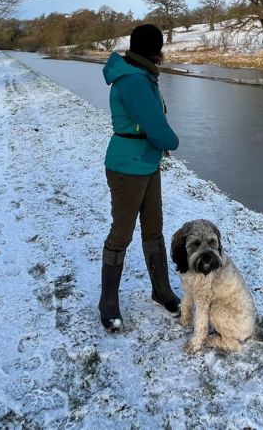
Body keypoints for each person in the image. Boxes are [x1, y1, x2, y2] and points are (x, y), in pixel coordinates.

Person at [98, 23, 181, 332]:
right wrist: (171, 141)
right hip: (127, 166)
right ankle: (108, 302)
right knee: (121, 234)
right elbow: (156, 125)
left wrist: (158, 141)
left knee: (153, 229)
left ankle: (161, 291)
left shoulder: (141, 74)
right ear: (155, 51)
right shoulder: (134, 80)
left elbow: (151, 121)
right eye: (160, 48)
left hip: (145, 161)